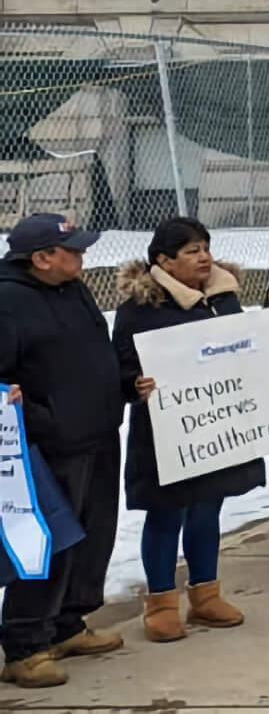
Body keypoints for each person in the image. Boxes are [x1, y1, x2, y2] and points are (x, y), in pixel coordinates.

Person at [111, 219, 259, 641]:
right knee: (166, 511)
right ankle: (160, 602)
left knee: (208, 507)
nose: (204, 257)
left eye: (206, 247)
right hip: (165, 431)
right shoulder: (140, 308)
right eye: (192, 251)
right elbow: (120, 365)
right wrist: (133, 385)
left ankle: (206, 594)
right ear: (163, 260)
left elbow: (248, 348)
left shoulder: (224, 298)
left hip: (218, 426)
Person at [0, 216, 123, 688]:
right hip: (47, 447)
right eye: (71, 249)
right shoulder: (8, 301)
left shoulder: (73, 287)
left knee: (92, 538)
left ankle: (68, 623)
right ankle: (25, 645)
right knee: (48, 543)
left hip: (98, 433)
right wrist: (39, 417)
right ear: (41, 258)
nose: (81, 255)